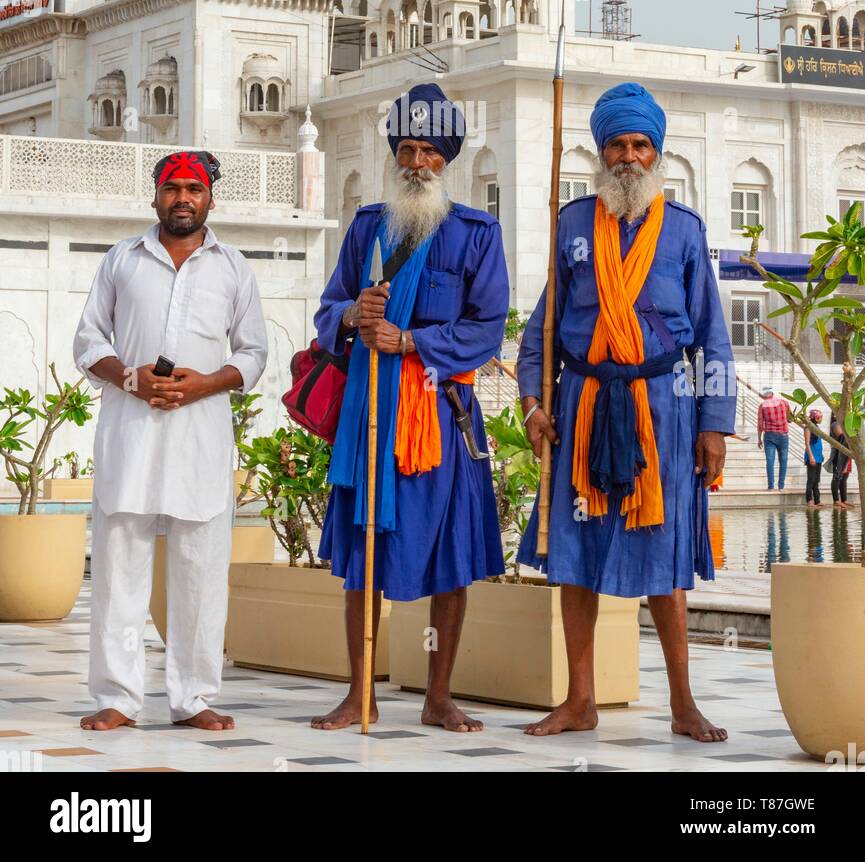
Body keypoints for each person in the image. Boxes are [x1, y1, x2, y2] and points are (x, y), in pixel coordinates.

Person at [517, 81, 736, 743]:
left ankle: (682, 703)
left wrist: (714, 425)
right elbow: (541, 331)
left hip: (663, 412)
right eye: (617, 143)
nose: (628, 156)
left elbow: (711, 336)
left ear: (657, 152)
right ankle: (578, 700)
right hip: (582, 405)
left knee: (663, 560)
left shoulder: (685, 232)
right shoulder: (573, 224)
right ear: (601, 149)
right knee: (574, 555)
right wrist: (533, 404)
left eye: (641, 144)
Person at [311, 83, 508, 733]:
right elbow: (326, 312)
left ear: (445, 161)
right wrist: (350, 314)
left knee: (449, 557)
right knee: (364, 552)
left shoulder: (477, 233)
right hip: (368, 413)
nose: (415, 162)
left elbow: (487, 327)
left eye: (428, 151)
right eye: (406, 149)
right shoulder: (367, 227)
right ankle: (357, 692)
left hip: (439, 415)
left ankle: (438, 695)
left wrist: (414, 340)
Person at [73, 150, 267, 732]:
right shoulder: (121, 261)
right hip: (130, 437)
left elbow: (254, 354)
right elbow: (88, 340)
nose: (183, 198)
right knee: (117, 571)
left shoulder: (233, 267)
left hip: (200, 440)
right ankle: (117, 697)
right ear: (154, 195)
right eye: (173, 188)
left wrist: (207, 382)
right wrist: (128, 378)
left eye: (194, 188)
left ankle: (195, 698)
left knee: (201, 572)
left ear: (211, 197)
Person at [757, 386, 790, 491]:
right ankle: (781, 487)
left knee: (770, 461)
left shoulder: (762, 406)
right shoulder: (784, 403)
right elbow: (790, 419)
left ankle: (771, 487)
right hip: (783, 436)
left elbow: (760, 425)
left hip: (769, 436)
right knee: (783, 461)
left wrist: (759, 439)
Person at [829, 416, 852, 508]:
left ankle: (844, 499)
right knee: (837, 476)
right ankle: (836, 500)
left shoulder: (844, 425)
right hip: (838, 455)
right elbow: (841, 436)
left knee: (844, 477)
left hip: (846, 454)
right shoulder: (835, 424)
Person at [804, 409, 824, 508]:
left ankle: (817, 500)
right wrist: (811, 457)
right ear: (816, 418)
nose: (822, 419)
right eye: (820, 417)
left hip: (818, 457)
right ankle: (809, 500)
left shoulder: (816, 427)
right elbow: (807, 443)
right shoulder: (808, 428)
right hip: (812, 456)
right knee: (811, 479)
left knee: (817, 480)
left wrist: (821, 455)